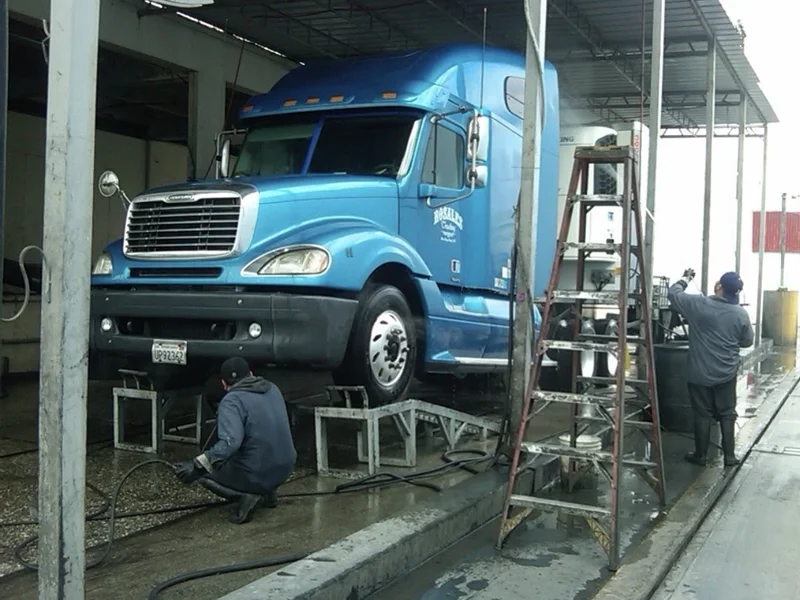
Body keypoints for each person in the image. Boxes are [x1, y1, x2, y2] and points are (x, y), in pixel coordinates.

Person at [173, 357, 297, 524]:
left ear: (224, 384)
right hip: (285, 468)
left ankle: (247, 495)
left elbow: (230, 443)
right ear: (251, 374)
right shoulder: (272, 388)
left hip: (258, 473)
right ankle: (269, 494)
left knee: (203, 473)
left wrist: (197, 465)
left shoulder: (231, 401)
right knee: (256, 449)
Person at [667, 269, 754, 467]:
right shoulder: (740, 313)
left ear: (719, 287)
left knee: (702, 413)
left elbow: (673, 293)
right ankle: (730, 456)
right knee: (727, 412)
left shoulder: (698, 304)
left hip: (699, 374)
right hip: (726, 373)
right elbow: (747, 342)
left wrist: (686, 278)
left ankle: (701, 455)